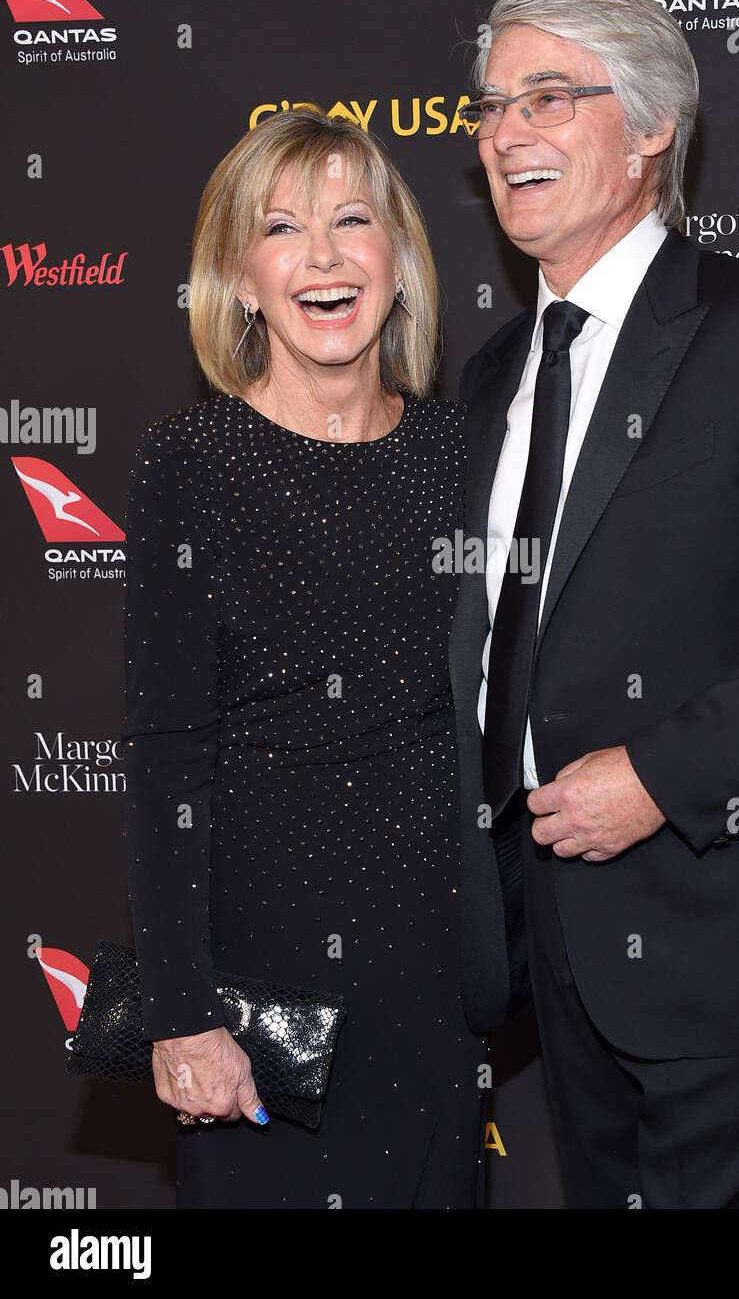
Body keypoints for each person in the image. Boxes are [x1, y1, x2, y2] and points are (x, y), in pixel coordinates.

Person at [449, 0, 739, 1208]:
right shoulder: (492, 372)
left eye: (550, 96)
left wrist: (657, 777)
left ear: (652, 129)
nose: (507, 132)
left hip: (727, 940)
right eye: (493, 105)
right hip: (545, 942)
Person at [122, 109, 486, 1209]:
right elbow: (165, 762)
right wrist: (183, 1014)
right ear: (239, 279)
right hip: (258, 1008)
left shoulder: (463, 455)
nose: (323, 258)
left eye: (351, 221)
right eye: (282, 228)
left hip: (433, 995)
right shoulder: (191, 464)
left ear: (398, 259)